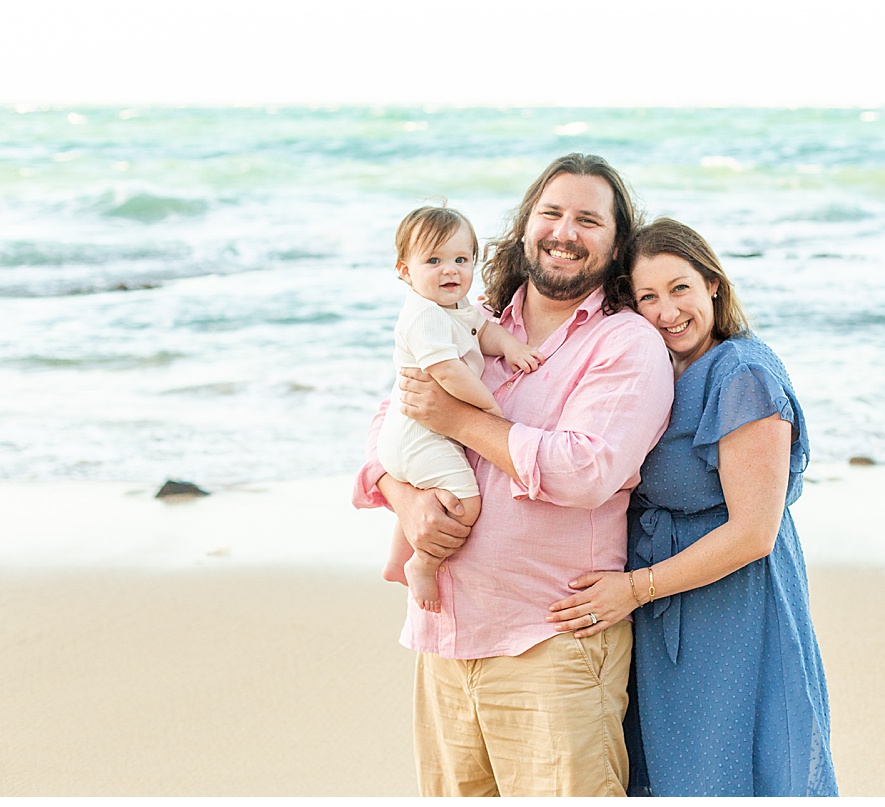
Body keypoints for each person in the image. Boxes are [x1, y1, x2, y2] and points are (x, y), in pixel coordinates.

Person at [351, 154, 674, 797]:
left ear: (616, 245)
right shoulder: (477, 318)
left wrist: (463, 422)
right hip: (446, 636)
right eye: (551, 213)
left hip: (551, 643)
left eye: (588, 219)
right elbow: (394, 411)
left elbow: (585, 469)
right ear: (525, 225)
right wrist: (405, 496)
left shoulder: (626, 343)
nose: (564, 230)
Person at [547, 218, 839, 796]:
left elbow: (755, 531)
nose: (666, 311)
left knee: (731, 768)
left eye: (679, 288)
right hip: (660, 611)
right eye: (647, 296)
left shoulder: (742, 374)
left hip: (734, 606)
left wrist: (634, 589)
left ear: (713, 285)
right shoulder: (654, 369)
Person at [377, 205, 543, 612]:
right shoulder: (424, 317)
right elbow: (449, 373)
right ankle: (422, 563)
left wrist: (512, 347)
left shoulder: (455, 308)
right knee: (464, 504)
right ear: (405, 271)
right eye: (433, 261)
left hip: (417, 431)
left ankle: (396, 560)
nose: (450, 270)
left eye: (460, 260)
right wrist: (490, 410)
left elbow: (483, 330)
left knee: (429, 494)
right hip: (418, 436)